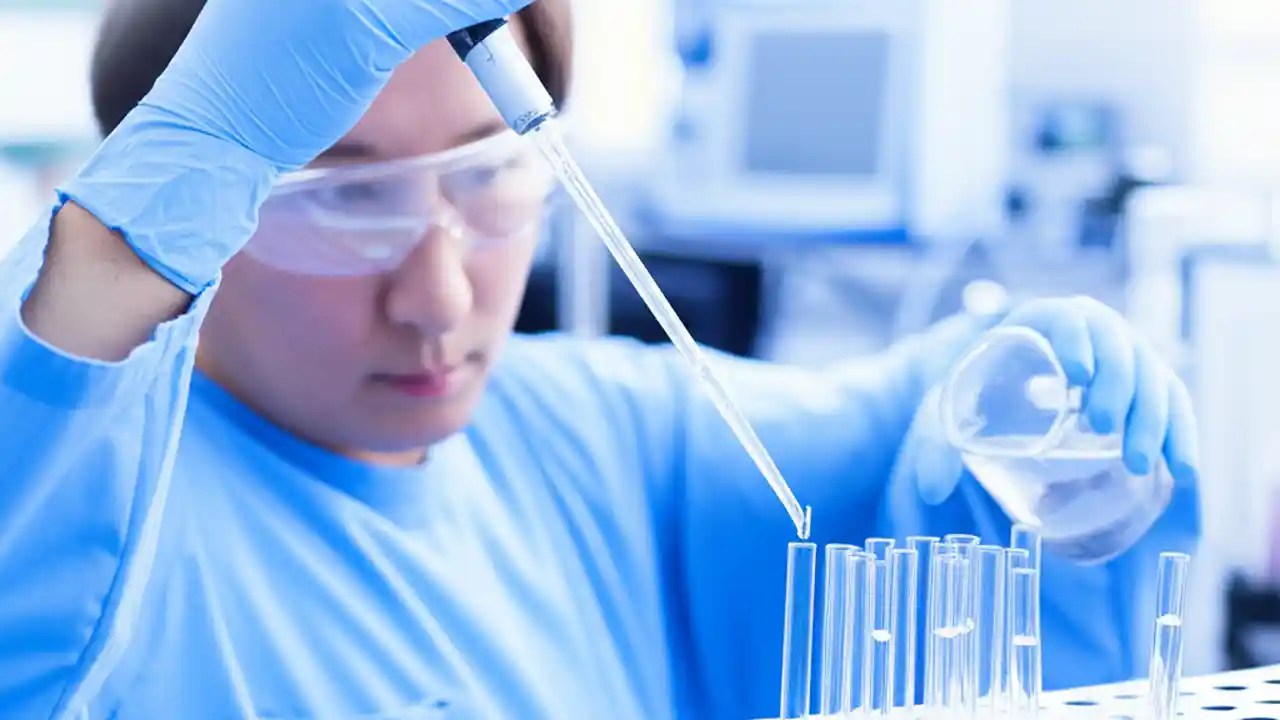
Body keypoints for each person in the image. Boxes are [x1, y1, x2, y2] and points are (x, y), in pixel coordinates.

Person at [0, 0, 1200, 717]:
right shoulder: (97, 510)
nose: (438, 294)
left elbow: (886, 435)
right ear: (195, 206)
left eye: (484, 176)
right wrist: (156, 197)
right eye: (335, 204)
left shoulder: (596, 432)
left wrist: (1014, 394)